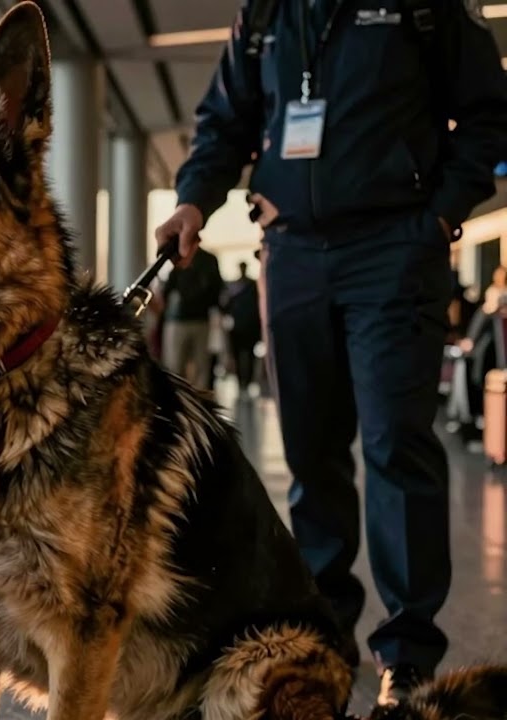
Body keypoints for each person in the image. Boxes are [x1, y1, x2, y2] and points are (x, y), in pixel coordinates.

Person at [155, 0, 507, 703]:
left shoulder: (422, 10)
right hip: (292, 256)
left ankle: (406, 654)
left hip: (392, 253)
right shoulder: (267, 16)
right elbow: (226, 121)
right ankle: (322, 636)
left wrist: (438, 214)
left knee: (394, 445)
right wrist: (194, 201)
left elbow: (489, 113)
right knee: (311, 455)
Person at [159, 246, 224, 390]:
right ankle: (192, 401)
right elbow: (217, 289)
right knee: (197, 367)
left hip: (187, 319)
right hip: (191, 319)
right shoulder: (201, 258)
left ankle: (178, 400)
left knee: (177, 366)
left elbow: (168, 289)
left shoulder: (189, 257)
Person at [222, 261, 262, 396]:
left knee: (249, 356)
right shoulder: (238, 286)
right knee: (239, 356)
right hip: (239, 326)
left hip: (249, 326)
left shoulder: (250, 285)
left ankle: (247, 382)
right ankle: (241, 382)